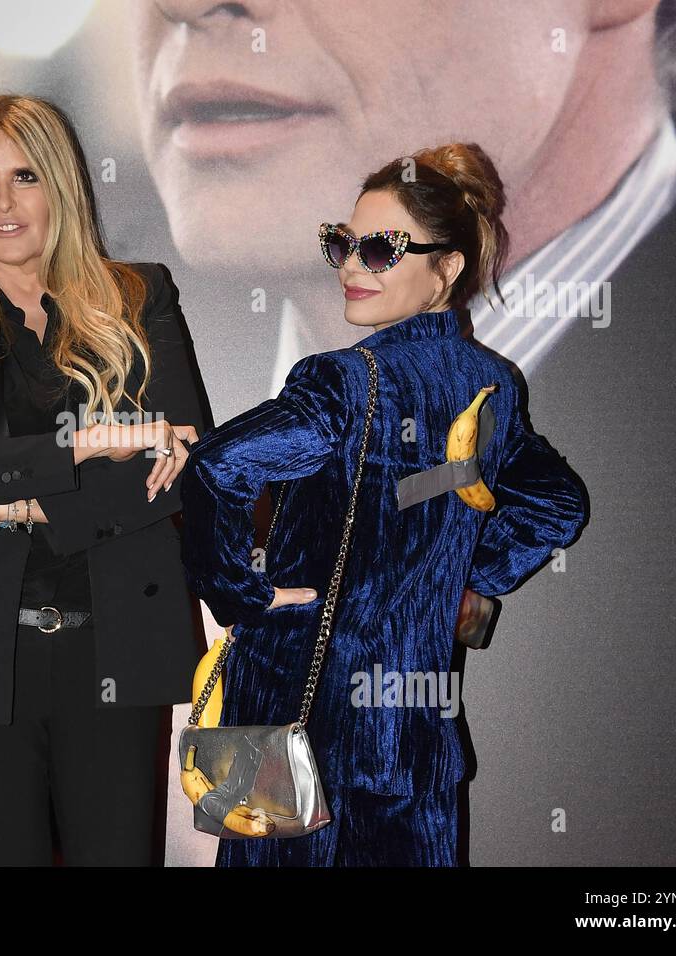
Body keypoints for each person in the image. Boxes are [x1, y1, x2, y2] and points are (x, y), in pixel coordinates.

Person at [179, 143, 589, 866]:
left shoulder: (338, 381)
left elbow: (215, 467)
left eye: (380, 248)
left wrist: (241, 595)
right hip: (416, 736)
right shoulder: (491, 382)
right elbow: (556, 505)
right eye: (341, 243)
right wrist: (461, 582)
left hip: (300, 732)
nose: (349, 266)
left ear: (448, 267)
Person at [0, 93, 210, 865]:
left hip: (117, 651)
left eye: (24, 176)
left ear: (60, 185)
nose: (1, 202)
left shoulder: (140, 295)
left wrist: (10, 504)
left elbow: (182, 465)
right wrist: (89, 450)